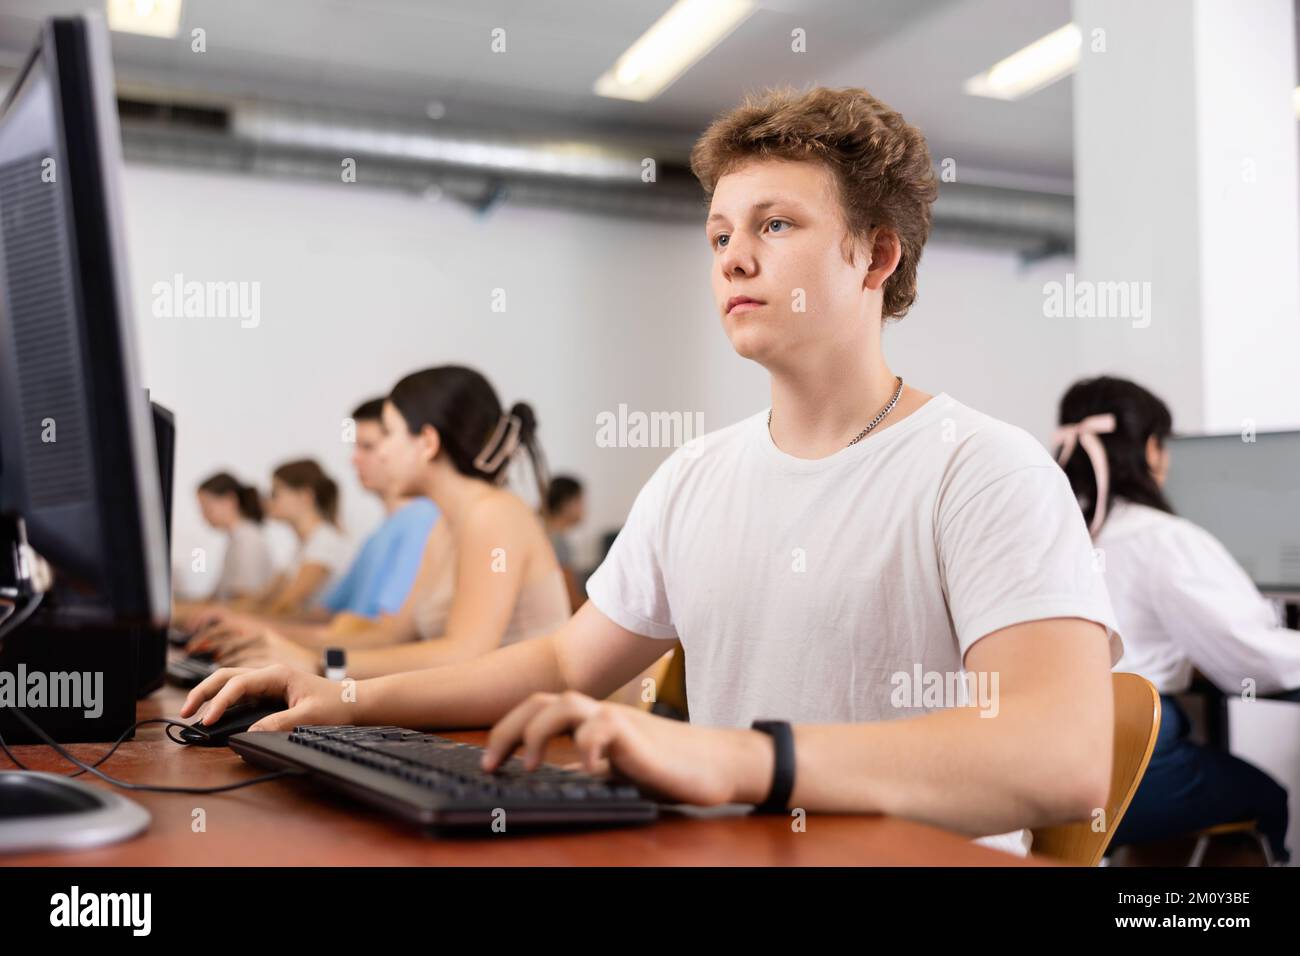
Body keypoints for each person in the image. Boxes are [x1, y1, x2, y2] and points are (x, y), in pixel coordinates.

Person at [183, 86, 1121, 856]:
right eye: (718, 236)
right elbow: (563, 660)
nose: (734, 258)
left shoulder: (984, 471)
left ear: (875, 254)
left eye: (776, 224)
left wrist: (743, 763)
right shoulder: (696, 475)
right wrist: (339, 696)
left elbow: (1060, 754)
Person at [188, 367, 570, 679]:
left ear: (428, 443)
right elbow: (392, 635)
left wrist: (320, 665)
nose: (380, 453)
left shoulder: (494, 514)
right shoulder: (446, 526)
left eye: (387, 435)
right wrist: (275, 641)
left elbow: (465, 655)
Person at [1054, 375, 1298, 862]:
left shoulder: (1054, 528)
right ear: (1149, 449)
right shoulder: (1161, 538)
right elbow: (1250, 658)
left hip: (1054, 751)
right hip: (1129, 753)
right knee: (1265, 799)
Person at [319, 398, 439, 620]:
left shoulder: (423, 519)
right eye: (355, 447)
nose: (354, 460)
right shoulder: (377, 535)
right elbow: (329, 613)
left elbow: (389, 631)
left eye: (368, 447)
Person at [254, 459, 352, 616]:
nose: (268, 501)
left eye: (275, 493)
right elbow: (264, 599)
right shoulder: (304, 546)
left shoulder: (325, 543)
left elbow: (284, 606)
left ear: (304, 495)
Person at [193, 472, 275, 602]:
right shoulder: (236, 539)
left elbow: (244, 598)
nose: (203, 515)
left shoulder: (248, 540)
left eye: (206, 507)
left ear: (229, 500)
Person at [543, 475, 586, 612]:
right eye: (581, 501)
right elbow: (570, 600)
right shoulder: (558, 542)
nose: (584, 508)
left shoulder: (544, 533)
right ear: (568, 502)